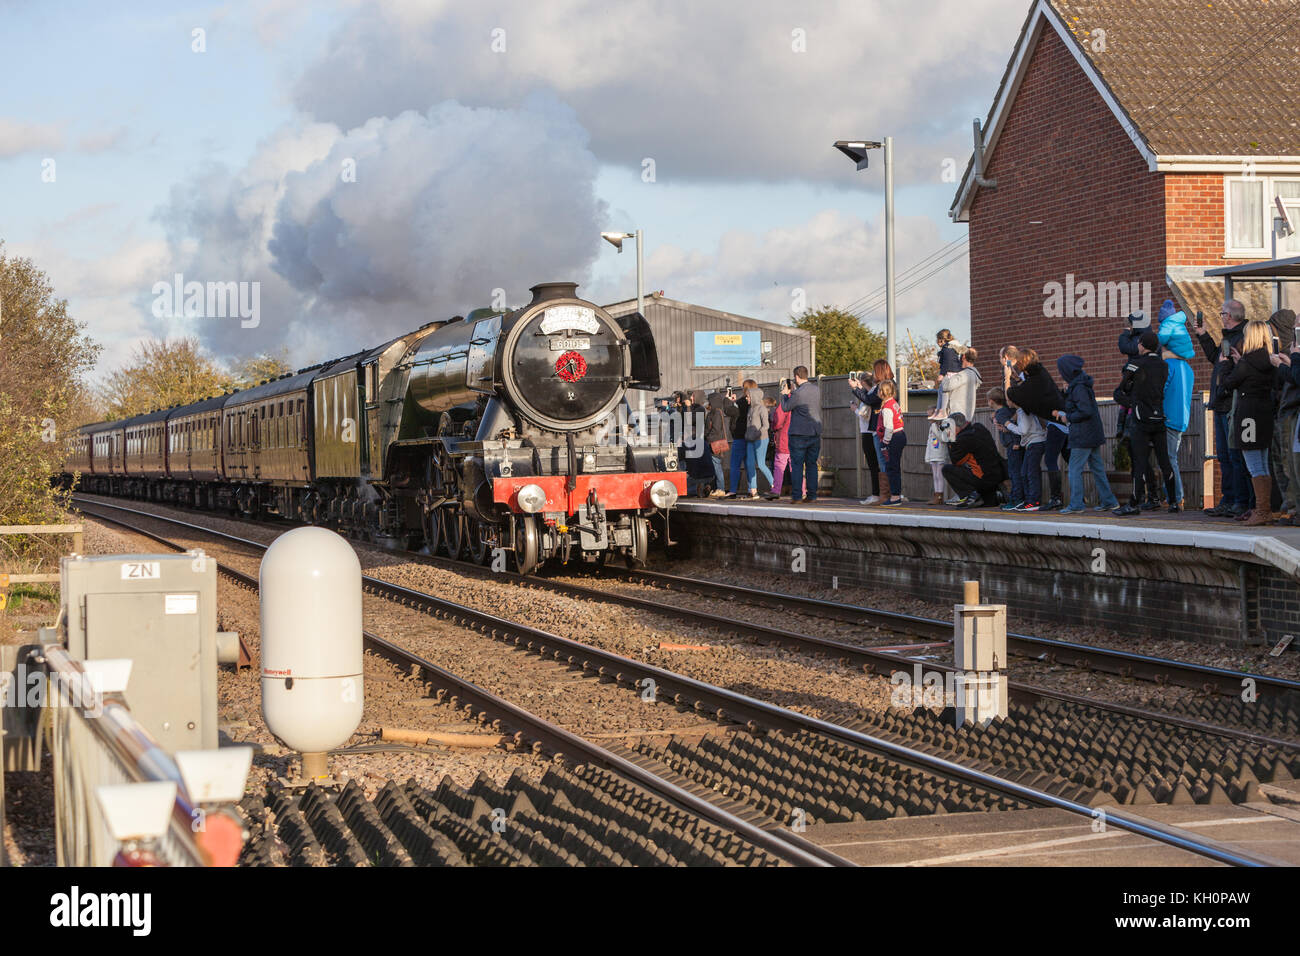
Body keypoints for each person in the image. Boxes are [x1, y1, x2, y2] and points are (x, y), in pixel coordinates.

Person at [1112, 331, 1178, 516]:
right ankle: (1173, 502)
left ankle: (1133, 503)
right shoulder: (1164, 366)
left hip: (1141, 419)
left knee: (1140, 462)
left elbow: (1119, 392)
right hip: (1159, 417)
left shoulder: (1135, 364)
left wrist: (1132, 403)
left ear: (1141, 345)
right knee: (1164, 460)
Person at [1195, 301, 1251, 517]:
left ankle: (1239, 500)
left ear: (1230, 316)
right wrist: (1203, 334)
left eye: (1222, 313)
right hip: (1220, 403)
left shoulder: (1242, 337)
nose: (1220, 316)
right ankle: (1228, 499)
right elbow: (1215, 360)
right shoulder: (1229, 338)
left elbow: (1235, 369)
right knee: (1224, 457)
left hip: (1231, 404)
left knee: (1234, 456)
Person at [1221, 319, 1278, 525]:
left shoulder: (1247, 362)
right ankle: (1265, 509)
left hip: (1248, 417)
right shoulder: (1270, 360)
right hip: (1264, 414)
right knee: (1263, 462)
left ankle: (1262, 510)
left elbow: (1228, 384)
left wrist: (1226, 366)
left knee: (1253, 464)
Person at [1054, 354, 1119, 514]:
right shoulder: (1081, 385)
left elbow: (1085, 411)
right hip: (1092, 433)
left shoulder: (1078, 388)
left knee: (1075, 469)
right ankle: (1109, 501)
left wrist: (1067, 417)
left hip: (1082, 435)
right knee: (1097, 468)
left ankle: (1076, 504)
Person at [1006, 347, 1067, 510]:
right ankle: (1071, 497)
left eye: (1018, 361)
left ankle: (1056, 498)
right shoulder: (1038, 374)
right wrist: (1018, 381)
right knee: (1069, 459)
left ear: (1023, 361)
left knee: (1050, 460)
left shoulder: (1037, 378)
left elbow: (1017, 395)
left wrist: (1008, 380)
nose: (1017, 364)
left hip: (1056, 422)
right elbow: (1027, 393)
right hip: (1057, 421)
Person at [1117, 311, 1161, 508]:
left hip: (1140, 412)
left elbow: (1123, 346)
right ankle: (1142, 496)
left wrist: (1126, 332)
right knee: (1137, 455)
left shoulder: (1143, 344)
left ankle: (1149, 496)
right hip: (1136, 409)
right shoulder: (1144, 346)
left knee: (1141, 456)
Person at [1156, 299, 1195, 509]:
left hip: (1169, 416)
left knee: (1169, 459)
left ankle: (1175, 497)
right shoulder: (1187, 368)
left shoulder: (1168, 366)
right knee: (1172, 457)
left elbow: (1161, 390)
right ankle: (1171, 495)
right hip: (1182, 417)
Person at [1269, 310, 1300, 524]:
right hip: (1286, 407)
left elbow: (1296, 377)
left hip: (1292, 408)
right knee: (1285, 461)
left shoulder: (1294, 349)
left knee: (1291, 463)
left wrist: (1284, 364)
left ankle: (1293, 508)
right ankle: (1292, 508)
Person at [941, 412, 1006, 508]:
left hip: (983, 478)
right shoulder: (979, 428)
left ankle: (970, 496)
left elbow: (956, 461)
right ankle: (996, 496)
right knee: (987, 503)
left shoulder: (963, 439)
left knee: (947, 469)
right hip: (997, 475)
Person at [851, 360, 894, 504]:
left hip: (880, 429)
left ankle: (886, 494)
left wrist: (856, 390)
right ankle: (886, 494)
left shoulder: (883, 387)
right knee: (882, 462)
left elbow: (869, 401)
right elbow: (870, 398)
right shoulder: (881, 387)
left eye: (875, 371)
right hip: (878, 428)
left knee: (881, 462)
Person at [781, 366, 821, 503]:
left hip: (799, 433)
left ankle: (797, 496)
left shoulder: (798, 393)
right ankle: (812, 495)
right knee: (811, 464)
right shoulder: (817, 390)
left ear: (797, 376)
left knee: (797, 465)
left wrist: (785, 394)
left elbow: (786, 407)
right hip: (814, 432)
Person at [1005, 390, 1046, 511]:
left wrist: (1009, 425)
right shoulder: (1022, 411)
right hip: (1032, 444)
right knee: (1025, 472)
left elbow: (1023, 430)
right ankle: (1029, 500)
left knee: (1030, 473)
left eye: (1008, 399)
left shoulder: (1023, 412)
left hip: (1035, 443)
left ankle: (1034, 501)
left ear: (1013, 400)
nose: (1006, 402)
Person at [848, 370, 882, 503]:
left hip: (868, 432)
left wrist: (854, 409)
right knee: (877, 464)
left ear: (862, 382)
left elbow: (864, 415)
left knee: (873, 464)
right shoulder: (870, 392)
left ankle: (876, 493)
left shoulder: (871, 395)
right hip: (868, 431)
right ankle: (879, 493)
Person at [989, 388, 1022, 510]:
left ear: (991, 401)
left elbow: (1012, 427)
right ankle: (1018, 498)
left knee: (1014, 473)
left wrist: (1016, 442)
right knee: (1016, 472)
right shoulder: (1007, 411)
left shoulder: (1001, 414)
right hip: (1014, 444)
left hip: (1013, 445)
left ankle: (1016, 499)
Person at [876, 381, 907, 506]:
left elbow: (889, 427)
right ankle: (896, 494)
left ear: (883, 392)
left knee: (892, 467)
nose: (877, 392)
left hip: (894, 437)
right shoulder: (893, 403)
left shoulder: (887, 408)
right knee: (894, 466)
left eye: (879, 390)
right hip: (900, 435)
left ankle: (895, 496)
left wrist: (885, 442)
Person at [742, 383, 773, 499]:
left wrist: (757, 433)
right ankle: (753, 491)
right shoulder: (750, 409)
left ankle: (774, 485)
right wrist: (747, 435)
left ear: (754, 397)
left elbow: (766, 426)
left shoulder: (762, 409)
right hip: (749, 440)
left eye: (748, 396)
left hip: (761, 439)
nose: (746, 398)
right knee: (750, 464)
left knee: (760, 464)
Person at [938, 347, 981, 424]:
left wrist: (944, 377)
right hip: (966, 416)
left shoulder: (965, 374)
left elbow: (946, 386)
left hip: (957, 416)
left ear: (963, 356)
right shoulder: (973, 375)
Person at [725, 380, 753, 497]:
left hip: (740, 436)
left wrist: (727, 400)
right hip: (752, 436)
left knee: (735, 464)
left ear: (745, 388)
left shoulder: (741, 402)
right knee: (749, 464)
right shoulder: (756, 402)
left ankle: (733, 490)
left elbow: (729, 411)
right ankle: (752, 489)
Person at [704, 391, 731, 498]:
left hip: (715, 443)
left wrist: (707, 438)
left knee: (717, 467)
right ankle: (717, 488)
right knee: (715, 467)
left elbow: (716, 429)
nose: (707, 403)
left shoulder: (716, 413)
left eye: (709, 401)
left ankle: (721, 489)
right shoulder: (713, 412)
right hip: (712, 443)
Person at [764, 395, 791, 500]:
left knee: (779, 466)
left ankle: (776, 490)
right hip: (796, 439)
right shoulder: (799, 403)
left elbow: (777, 422)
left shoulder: (784, 404)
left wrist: (773, 428)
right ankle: (802, 490)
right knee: (796, 466)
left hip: (783, 439)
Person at [931, 330, 962, 418]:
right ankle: (938, 409)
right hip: (953, 372)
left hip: (950, 373)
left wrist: (942, 374)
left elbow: (946, 362)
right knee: (941, 390)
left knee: (944, 390)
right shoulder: (952, 347)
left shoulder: (947, 348)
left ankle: (942, 410)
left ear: (941, 340)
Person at [924, 407, 951, 505]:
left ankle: (940, 496)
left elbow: (943, 438)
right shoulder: (933, 426)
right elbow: (930, 443)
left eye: (930, 415)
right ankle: (937, 495)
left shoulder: (940, 425)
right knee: (935, 476)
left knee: (939, 475)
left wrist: (935, 427)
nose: (929, 417)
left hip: (939, 454)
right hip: (933, 454)